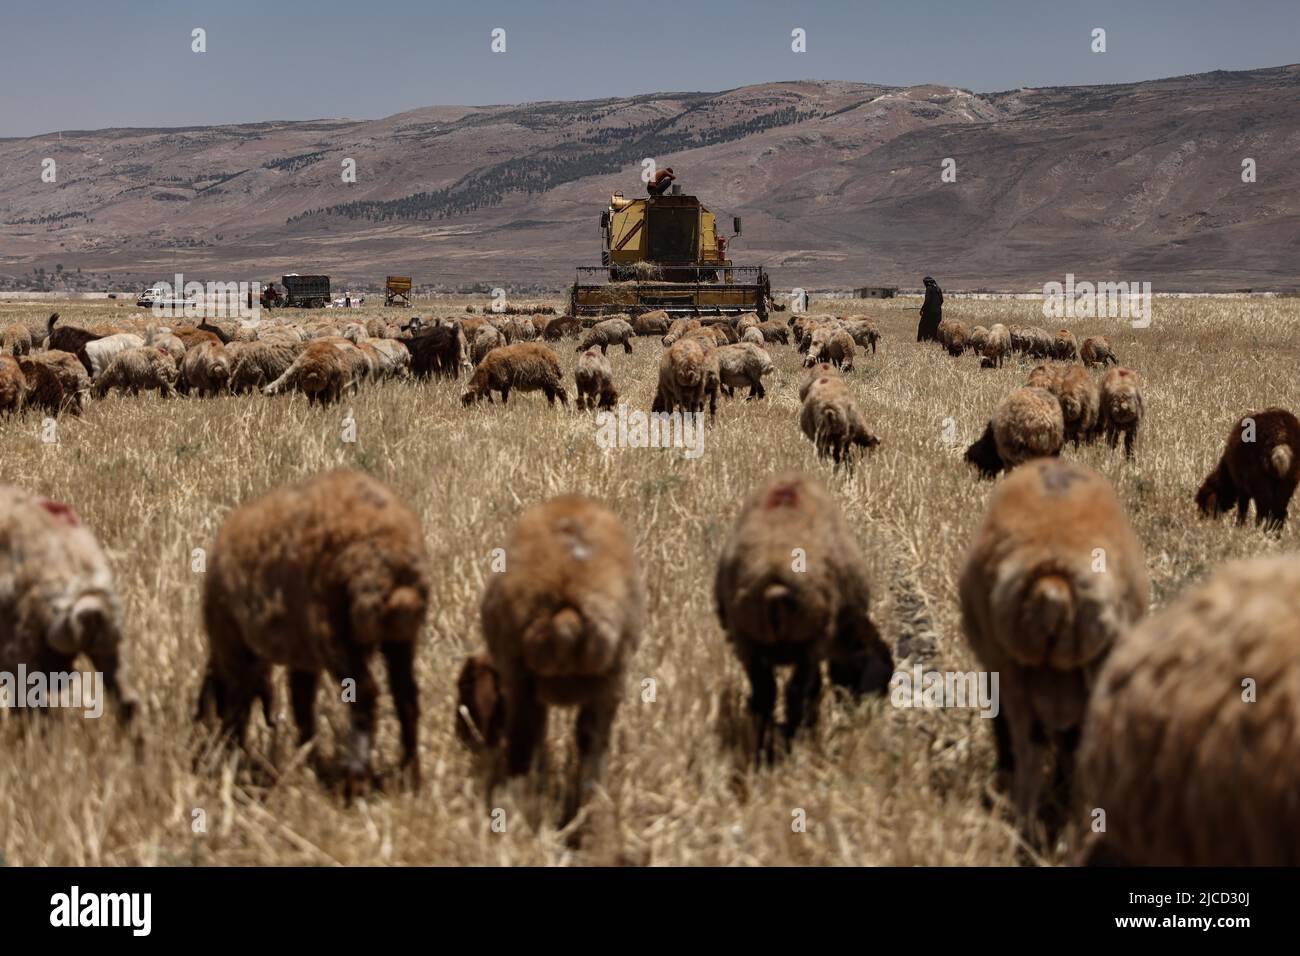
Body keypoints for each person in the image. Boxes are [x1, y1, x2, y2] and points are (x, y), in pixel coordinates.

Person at [917, 276, 943, 342]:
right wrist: (937, 306)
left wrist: (922, 309)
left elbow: (927, 301)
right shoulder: (938, 289)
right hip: (938, 312)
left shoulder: (929, 289)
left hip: (929, 312)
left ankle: (922, 340)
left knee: (923, 325)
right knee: (936, 326)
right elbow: (942, 300)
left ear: (927, 283)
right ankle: (936, 339)